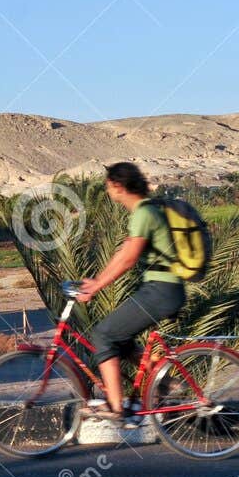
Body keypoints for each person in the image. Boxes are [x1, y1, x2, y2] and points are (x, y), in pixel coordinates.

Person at [76, 162, 187, 423]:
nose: (107, 191)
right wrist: (95, 281)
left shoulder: (143, 213)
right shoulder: (144, 211)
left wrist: (97, 286)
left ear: (117, 185)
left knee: (103, 335)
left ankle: (116, 407)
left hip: (161, 290)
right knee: (121, 340)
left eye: (107, 186)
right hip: (162, 289)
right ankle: (166, 384)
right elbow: (122, 253)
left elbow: (129, 259)